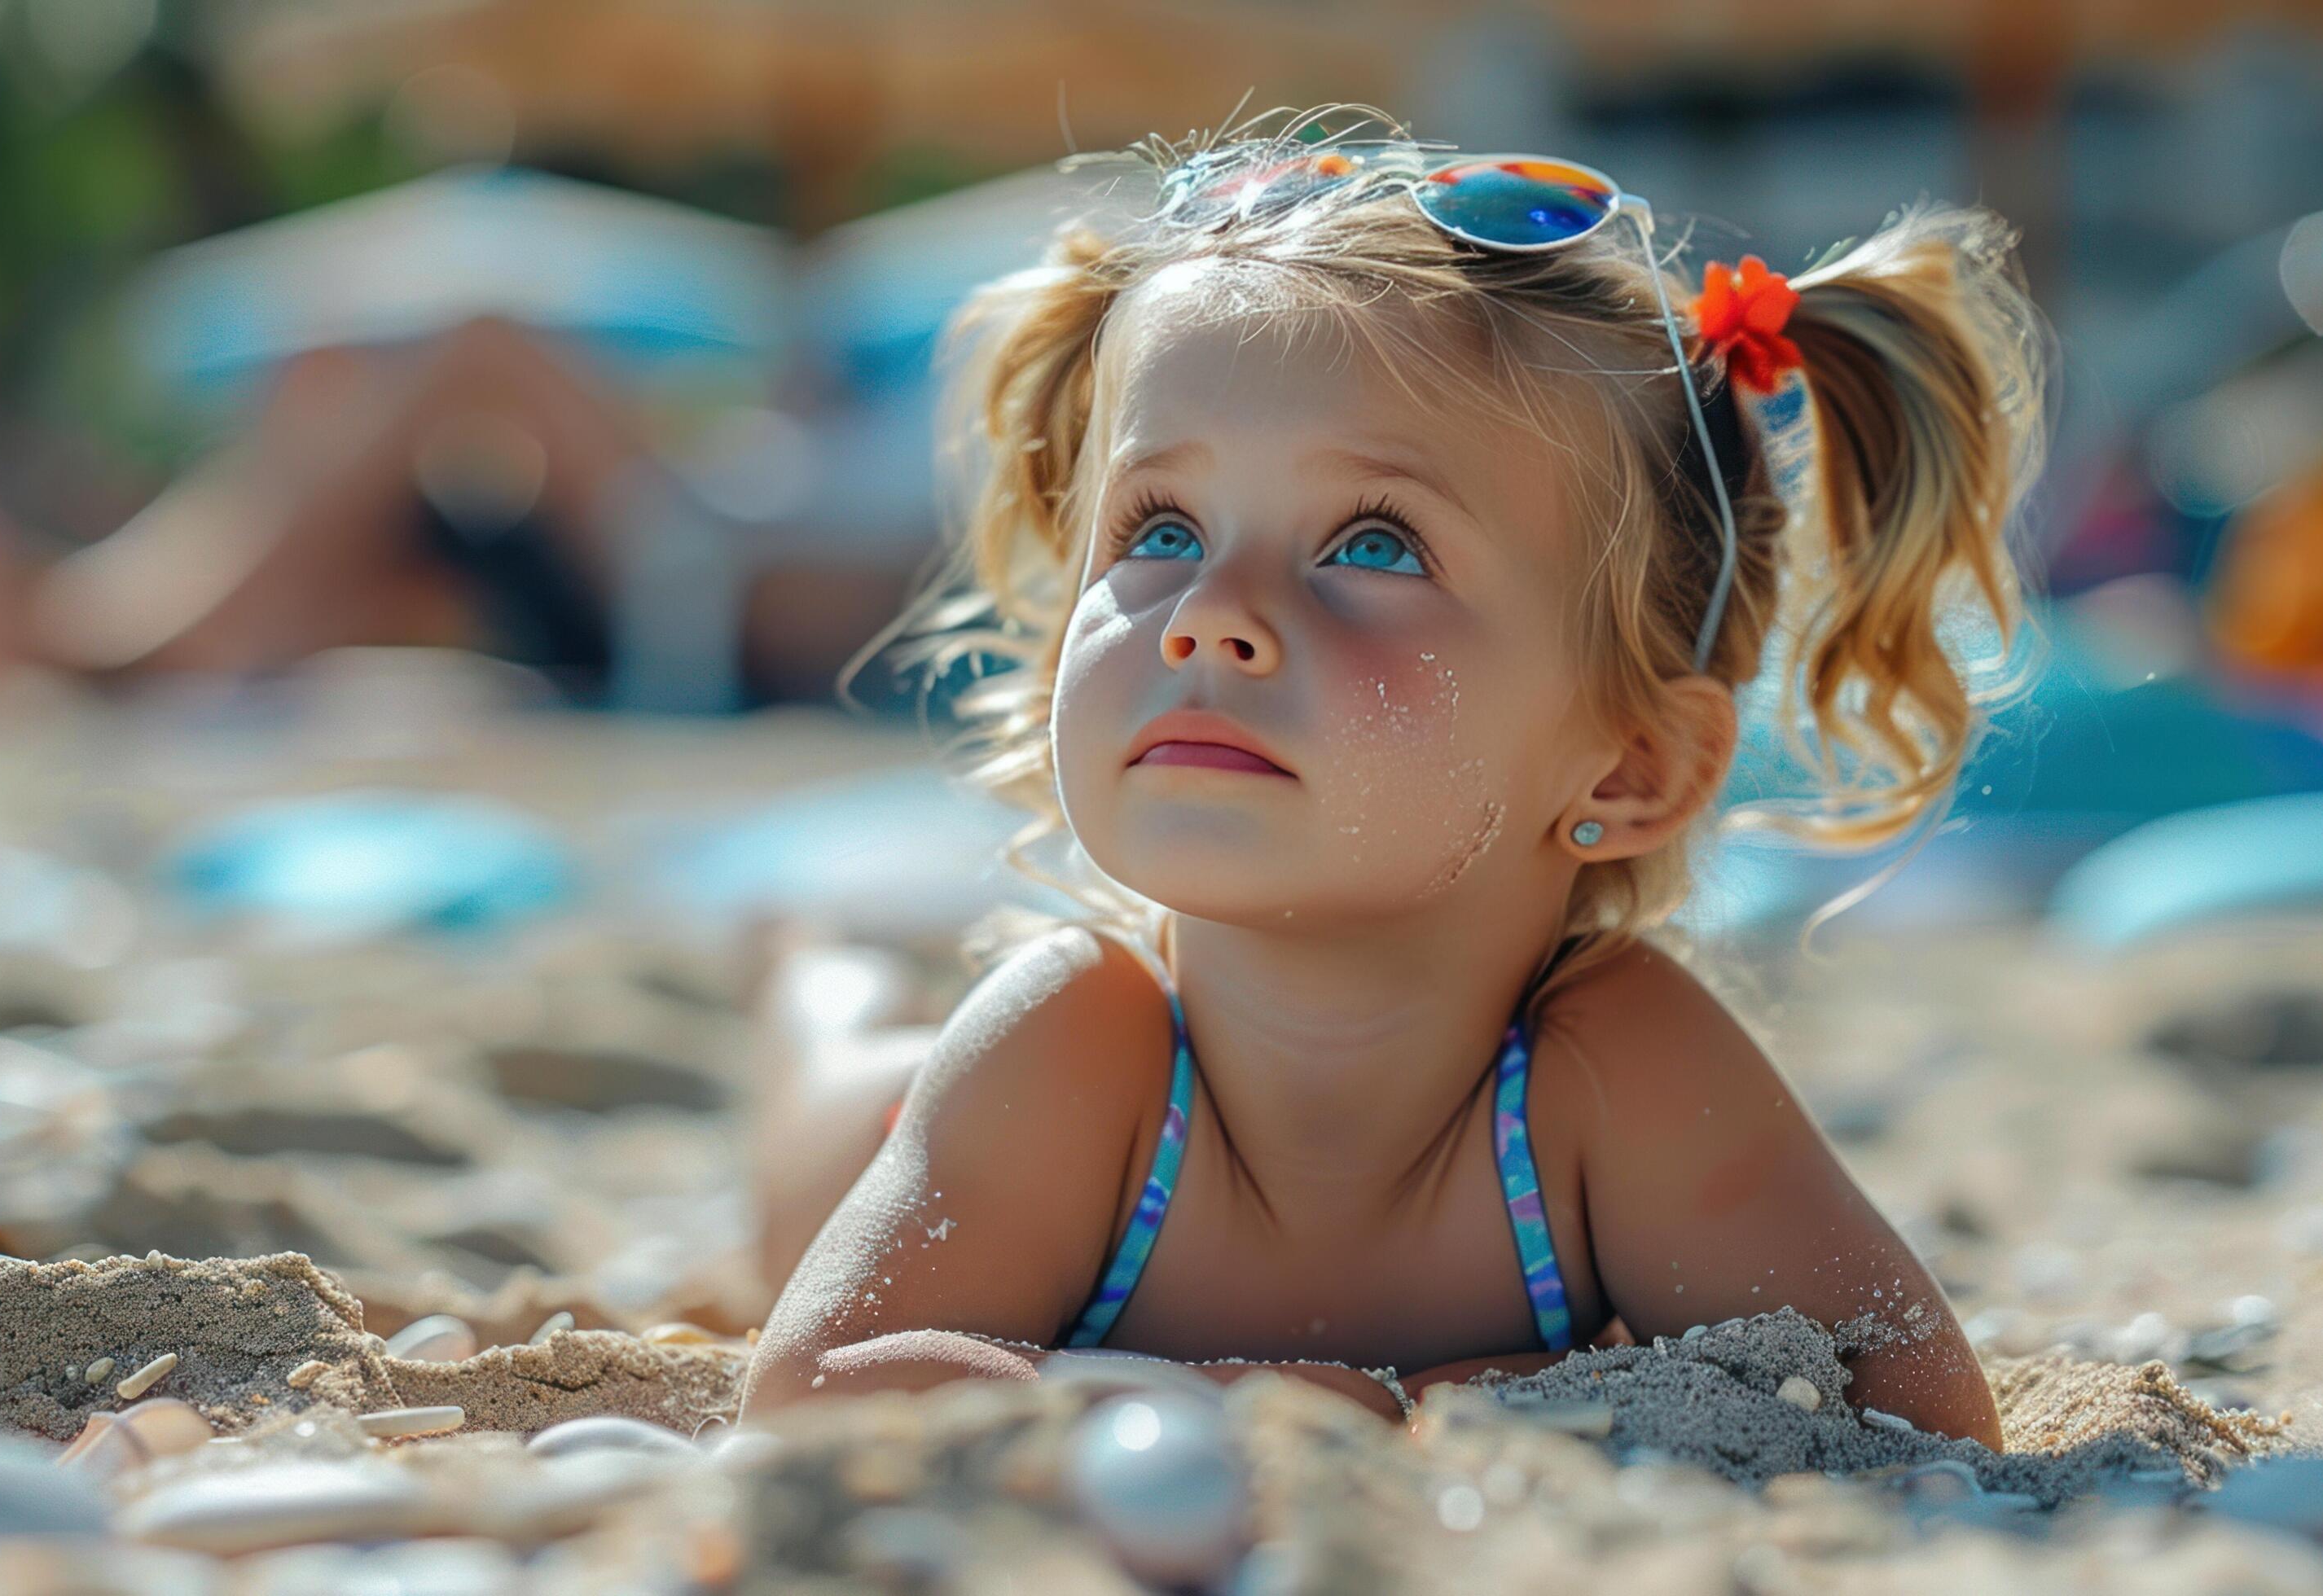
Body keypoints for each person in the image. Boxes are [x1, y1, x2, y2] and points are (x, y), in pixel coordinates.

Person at [741, 107, 2053, 1445]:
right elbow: (817, 1381)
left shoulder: (1609, 1068)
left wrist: (1488, 1401)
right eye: (1164, 526)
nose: (1208, 612)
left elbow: (1913, 1401)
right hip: (895, 1137)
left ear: (1637, 763)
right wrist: (1334, 1405)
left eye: (1372, 546)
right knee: (846, 1077)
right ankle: (819, 987)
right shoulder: (1077, 1042)